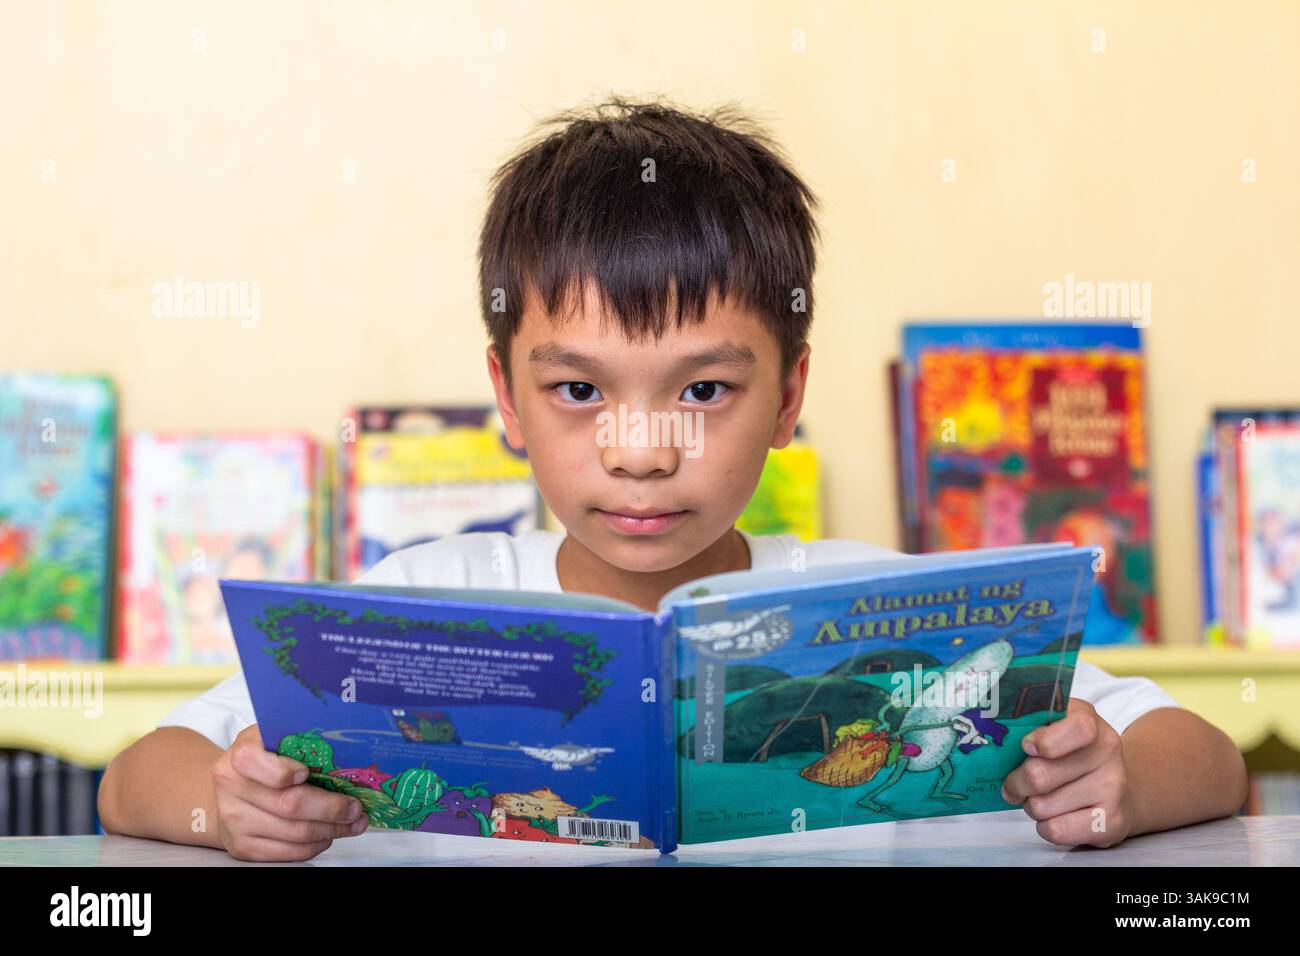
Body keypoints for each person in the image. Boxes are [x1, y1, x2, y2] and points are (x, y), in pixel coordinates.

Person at [98, 99, 1247, 861]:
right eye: (580, 391)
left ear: (790, 394)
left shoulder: (893, 606)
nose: (641, 448)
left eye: (703, 392)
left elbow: (1212, 757)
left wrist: (1119, 781)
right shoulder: (424, 590)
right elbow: (132, 780)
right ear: (506, 395)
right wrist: (231, 797)